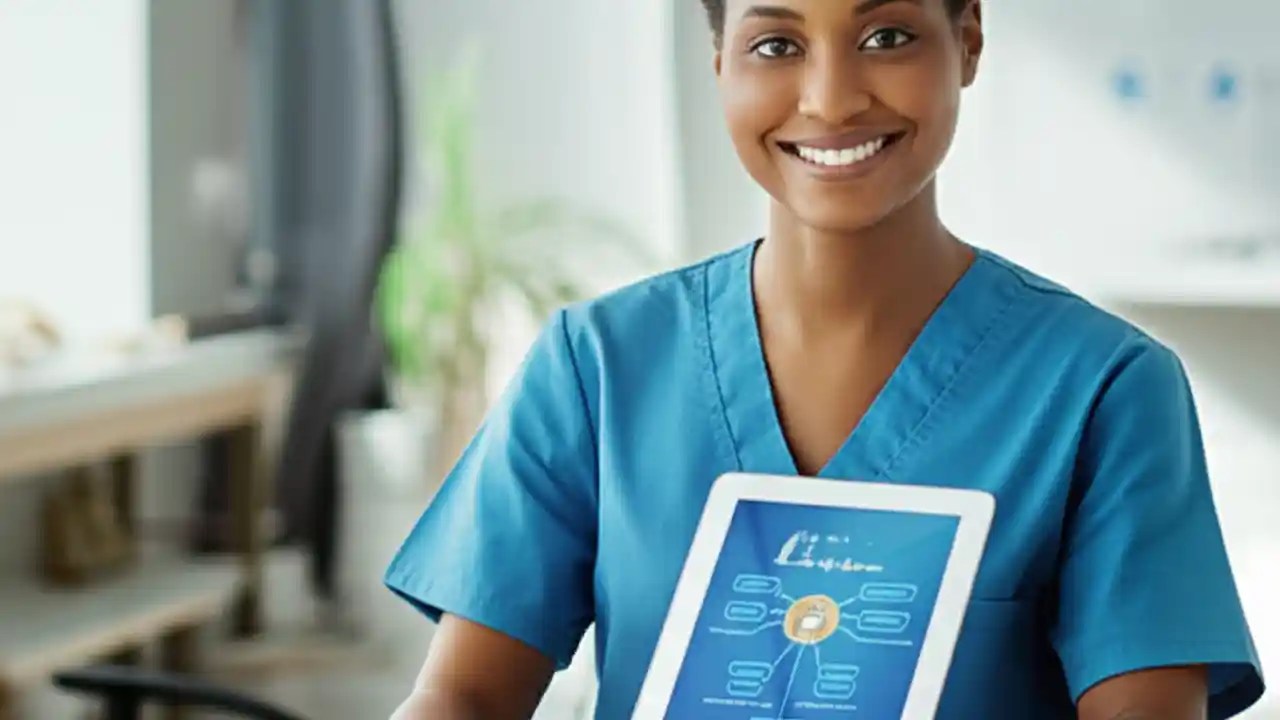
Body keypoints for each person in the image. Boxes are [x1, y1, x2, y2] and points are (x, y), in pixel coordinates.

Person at [385, 0, 1265, 717]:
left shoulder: (1103, 391)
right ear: (720, 63)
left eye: (887, 37)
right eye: (776, 44)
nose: (832, 99)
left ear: (967, 40)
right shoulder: (598, 369)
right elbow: (465, 697)